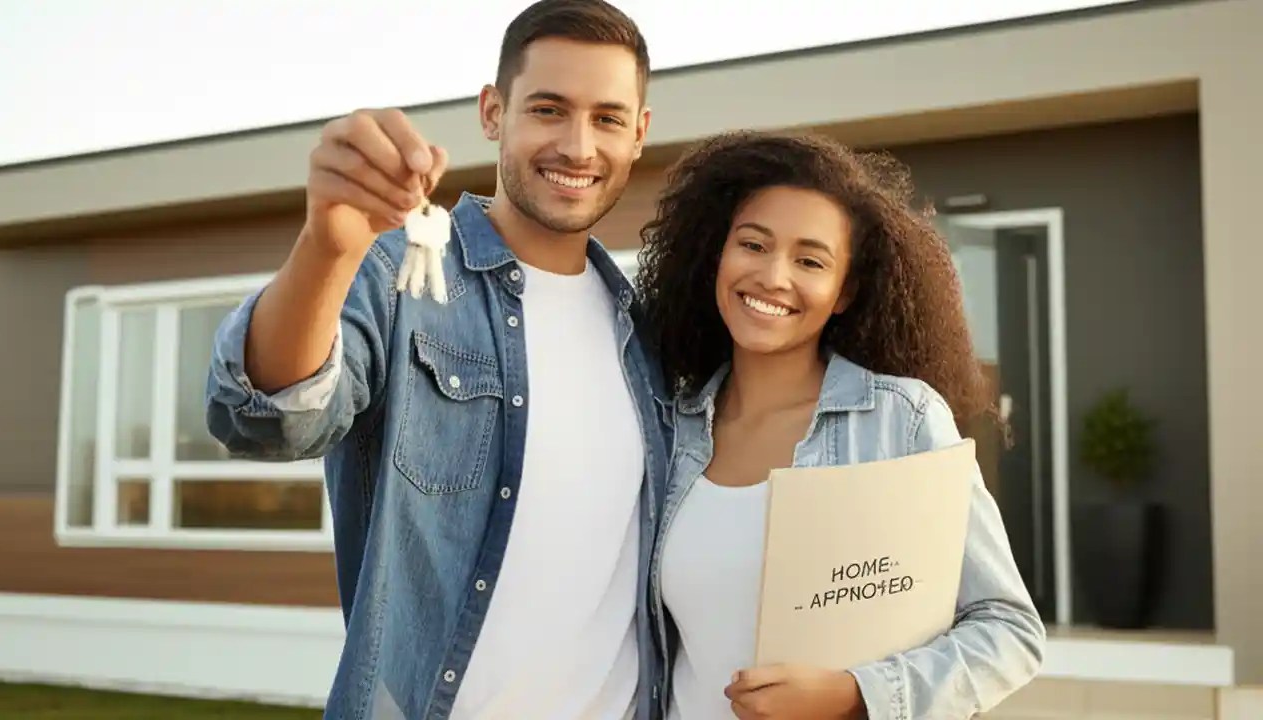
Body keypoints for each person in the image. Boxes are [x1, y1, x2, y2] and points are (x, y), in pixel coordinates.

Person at [204, 1, 673, 718]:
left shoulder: (646, 336)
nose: (579, 146)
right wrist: (329, 247)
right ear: (493, 113)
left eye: (607, 118)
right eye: (548, 109)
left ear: (639, 133)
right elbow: (266, 418)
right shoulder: (400, 271)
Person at [633, 130, 1046, 719]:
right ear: (717, 255)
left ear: (845, 291)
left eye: (809, 260)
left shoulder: (899, 422)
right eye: (753, 245)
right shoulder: (668, 429)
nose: (774, 277)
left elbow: (1008, 630)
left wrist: (857, 696)